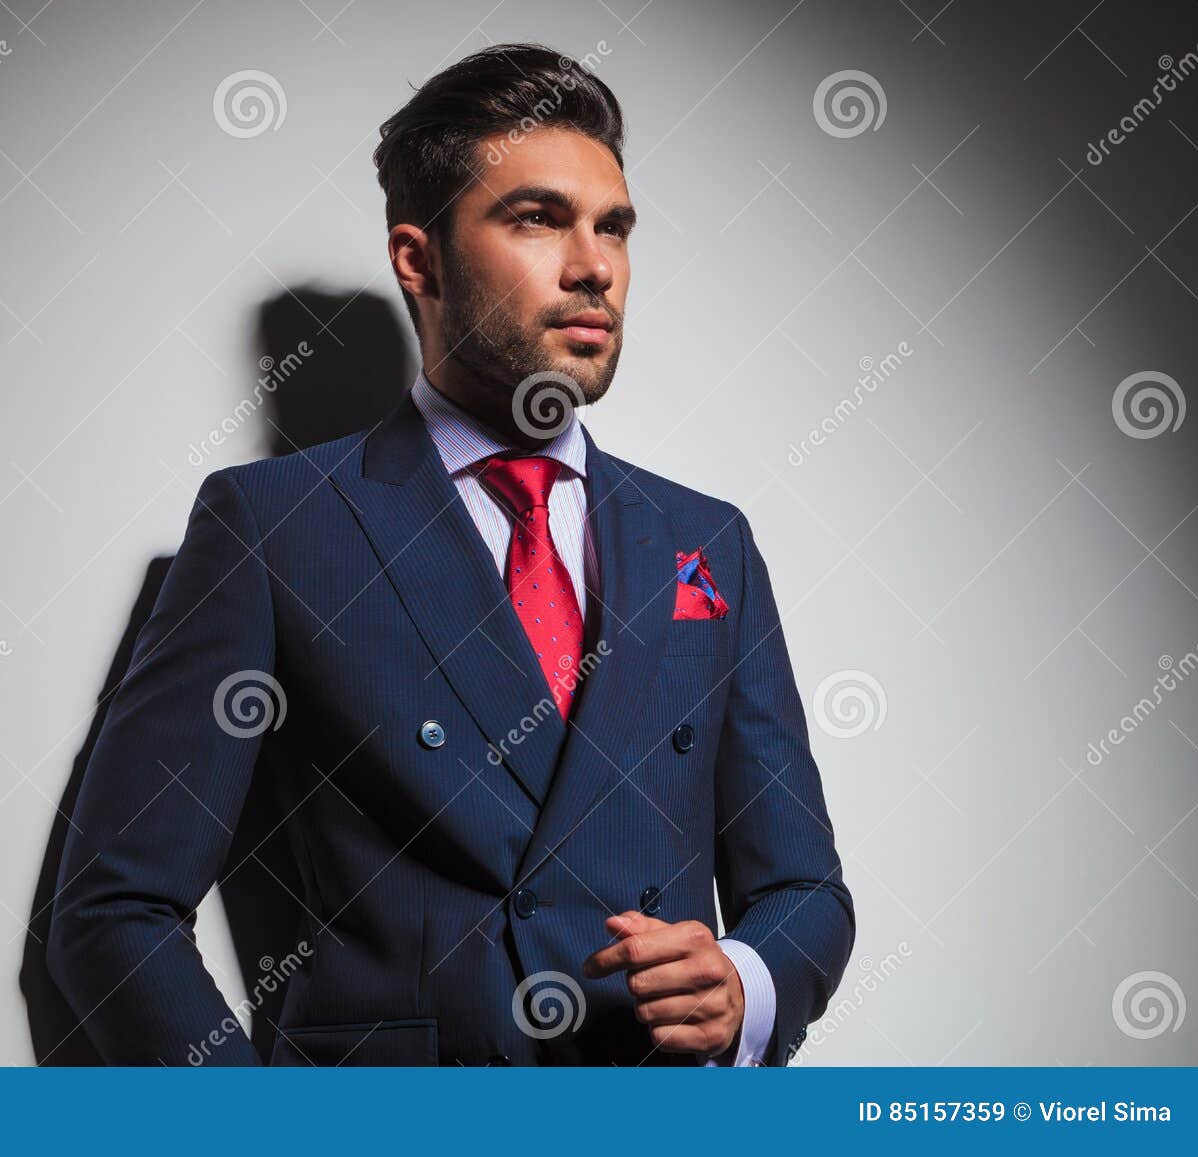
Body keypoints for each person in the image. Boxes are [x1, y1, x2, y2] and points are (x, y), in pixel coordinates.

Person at [47, 42, 854, 1066]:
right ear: (417, 259)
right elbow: (116, 906)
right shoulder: (276, 525)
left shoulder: (705, 542)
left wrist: (748, 981)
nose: (593, 265)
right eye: (537, 218)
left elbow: (802, 888)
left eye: (613, 226)